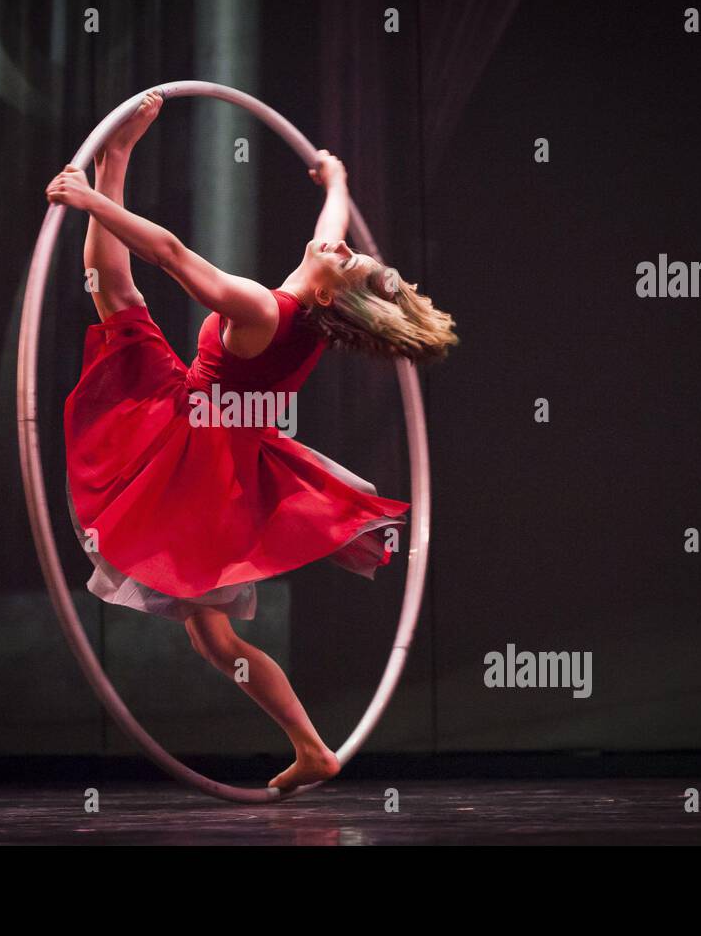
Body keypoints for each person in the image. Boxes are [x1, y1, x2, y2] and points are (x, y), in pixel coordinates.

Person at [46, 89, 458, 791]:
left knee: (118, 297)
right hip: (218, 437)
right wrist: (338, 183)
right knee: (213, 636)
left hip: (200, 452)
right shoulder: (315, 299)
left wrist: (89, 200)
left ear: (331, 292)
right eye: (347, 246)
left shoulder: (265, 308)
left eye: (346, 258)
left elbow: (173, 255)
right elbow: (332, 231)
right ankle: (312, 747)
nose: (341, 243)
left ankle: (113, 163)